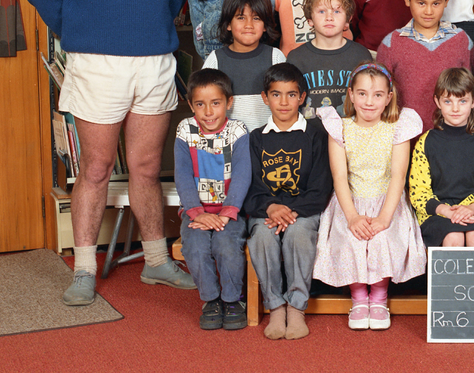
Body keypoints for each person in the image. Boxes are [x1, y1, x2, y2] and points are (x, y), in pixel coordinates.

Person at [26, 0, 196, 305]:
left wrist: (147, 28)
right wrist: (79, 31)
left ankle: (158, 262)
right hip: (95, 61)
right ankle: (83, 268)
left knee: (146, 166)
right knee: (97, 167)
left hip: (155, 61)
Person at [312, 64, 426, 330]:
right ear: (351, 95)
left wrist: (385, 217)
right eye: (362, 94)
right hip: (349, 200)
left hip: (388, 200)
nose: (369, 101)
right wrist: (351, 216)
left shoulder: (398, 127)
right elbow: (339, 177)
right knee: (351, 237)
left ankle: (379, 297)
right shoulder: (339, 127)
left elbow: (398, 175)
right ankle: (359, 298)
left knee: (381, 239)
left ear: (388, 98)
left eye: (377, 95)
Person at [242, 63, 334, 340]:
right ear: (264, 97)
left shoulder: (316, 135)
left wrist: (291, 212)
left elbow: (321, 187)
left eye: (291, 94)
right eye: (276, 94)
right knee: (261, 237)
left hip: (303, 212)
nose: (284, 102)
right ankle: (275, 306)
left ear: (302, 97)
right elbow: (251, 185)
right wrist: (271, 208)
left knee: (298, 235)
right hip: (266, 210)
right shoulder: (255, 139)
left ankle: (296, 307)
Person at [173, 69, 252, 331]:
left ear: (229, 102)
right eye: (200, 104)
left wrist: (227, 212)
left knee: (226, 246)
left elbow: (242, 176)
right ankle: (211, 300)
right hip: (196, 212)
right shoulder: (185, 130)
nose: (208, 112)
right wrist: (196, 212)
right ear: (190, 104)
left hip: (230, 212)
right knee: (195, 247)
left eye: (215, 103)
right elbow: (182, 175)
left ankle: (232, 300)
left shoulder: (238, 131)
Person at [376, 0, 473, 130]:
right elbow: (381, 94)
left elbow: (470, 91)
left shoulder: (461, 40)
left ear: (447, 0)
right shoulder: (391, 43)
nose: (428, 11)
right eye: (421, 3)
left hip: (451, 136)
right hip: (404, 138)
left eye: (436, 3)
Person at [408, 68, 474, 248]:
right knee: (454, 236)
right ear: (437, 101)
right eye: (448, 101)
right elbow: (418, 192)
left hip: (473, 209)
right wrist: (445, 211)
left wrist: (472, 209)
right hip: (436, 213)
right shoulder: (426, 142)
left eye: (462, 101)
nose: (455, 108)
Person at [202, 0, 285, 131]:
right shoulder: (215, 59)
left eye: (256, 18)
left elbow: (286, 101)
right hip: (228, 143)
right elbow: (205, 103)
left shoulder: (275, 56)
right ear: (228, 24)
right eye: (241, 17)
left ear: (265, 25)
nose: (249, 25)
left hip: (269, 141)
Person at [286, 0, 372, 119]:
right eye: (321, 11)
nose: (329, 17)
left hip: (350, 135)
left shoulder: (361, 55)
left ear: (348, 20)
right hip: (308, 135)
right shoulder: (296, 58)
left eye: (337, 11)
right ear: (310, 20)